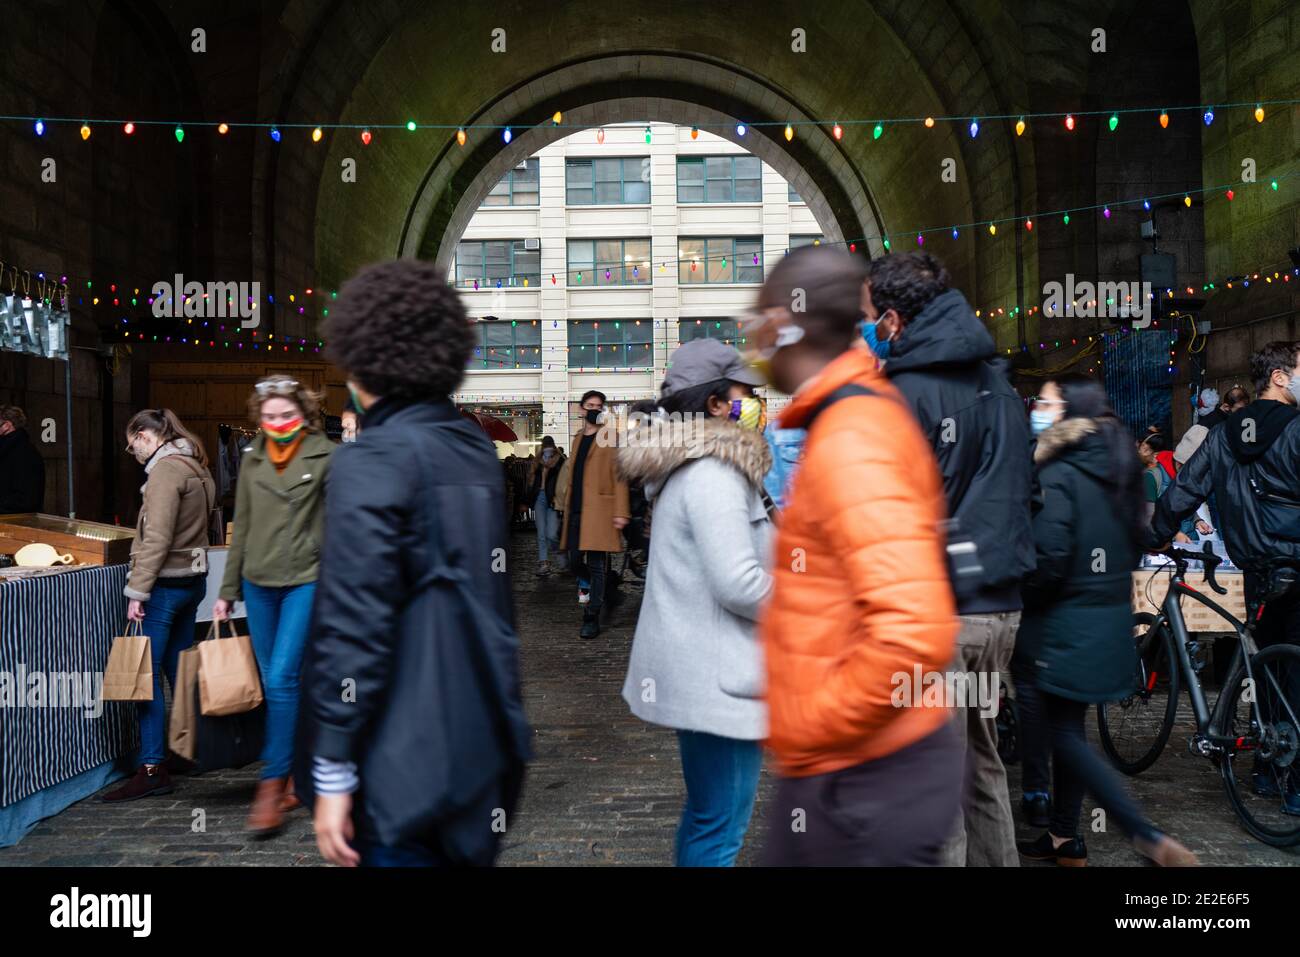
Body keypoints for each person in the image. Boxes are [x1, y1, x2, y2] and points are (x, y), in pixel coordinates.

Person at [298, 259, 530, 867]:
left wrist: (331, 769)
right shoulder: (474, 451)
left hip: (400, 761)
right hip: (482, 747)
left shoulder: (370, 460)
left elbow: (356, 623)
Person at [743, 245, 962, 867]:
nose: (753, 342)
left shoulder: (854, 436)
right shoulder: (842, 421)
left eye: (757, 322)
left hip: (867, 779)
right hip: (852, 771)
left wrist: (809, 722)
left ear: (786, 324)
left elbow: (912, 637)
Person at [864, 251, 1034, 867]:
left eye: (872, 319)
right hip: (998, 613)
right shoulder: (1000, 385)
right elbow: (1027, 494)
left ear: (893, 319)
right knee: (980, 766)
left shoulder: (903, 394)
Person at [1014, 375, 1197, 866]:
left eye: (1048, 402)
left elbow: (1049, 557)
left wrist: (1019, 585)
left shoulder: (1057, 472)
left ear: (1069, 412)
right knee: (1072, 727)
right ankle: (1063, 838)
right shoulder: (1118, 467)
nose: (1040, 409)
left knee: (1064, 736)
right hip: (1108, 619)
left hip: (1060, 623)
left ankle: (1143, 833)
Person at [618, 338, 772, 866]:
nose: (757, 402)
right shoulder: (715, 471)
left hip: (708, 670)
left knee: (708, 817)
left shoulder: (697, 465)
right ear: (714, 403)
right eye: (747, 392)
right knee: (721, 828)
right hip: (721, 680)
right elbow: (739, 583)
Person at [1151, 341, 1300, 813]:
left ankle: (1267, 769)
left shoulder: (1222, 434)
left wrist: (1156, 532)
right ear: (1279, 376)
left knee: (1271, 665)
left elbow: (1187, 488)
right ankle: (1295, 783)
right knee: (1291, 669)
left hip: (1257, 566)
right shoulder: (1297, 429)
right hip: (1297, 560)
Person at [213, 375, 334, 833]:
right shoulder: (253, 459)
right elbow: (240, 526)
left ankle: (271, 782)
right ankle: (302, 773)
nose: (278, 422)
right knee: (277, 683)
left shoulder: (327, 457)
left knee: (282, 677)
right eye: (269, 416)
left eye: (286, 415)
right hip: (257, 582)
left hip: (307, 578)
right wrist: (227, 592)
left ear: (303, 415)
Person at [102, 409, 215, 803]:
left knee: (144, 678)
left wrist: (137, 591)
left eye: (134, 443)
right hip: (192, 582)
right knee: (177, 671)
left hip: (164, 585)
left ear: (147, 435)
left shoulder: (166, 471)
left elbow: (157, 538)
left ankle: (152, 768)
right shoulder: (196, 464)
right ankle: (188, 750)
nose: (133, 452)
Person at [556, 390, 630, 639]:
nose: (594, 409)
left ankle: (592, 615)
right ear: (581, 409)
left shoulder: (609, 435)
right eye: (590, 405)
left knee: (596, 564)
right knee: (574, 561)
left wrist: (621, 511)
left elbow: (620, 474)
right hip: (576, 509)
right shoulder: (577, 438)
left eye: (599, 406)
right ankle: (608, 590)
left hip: (600, 510)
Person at [527, 435, 565, 576]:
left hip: (553, 499)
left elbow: (563, 482)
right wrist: (527, 500)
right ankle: (543, 563)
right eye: (546, 447)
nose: (548, 450)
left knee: (551, 534)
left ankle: (561, 557)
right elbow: (532, 482)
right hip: (540, 498)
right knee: (541, 533)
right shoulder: (537, 461)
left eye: (550, 447)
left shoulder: (560, 462)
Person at [0, 405, 45, 513]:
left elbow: (27, 499)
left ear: (6, 425)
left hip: (16, 523)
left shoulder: (25, 453)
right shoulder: (7, 449)